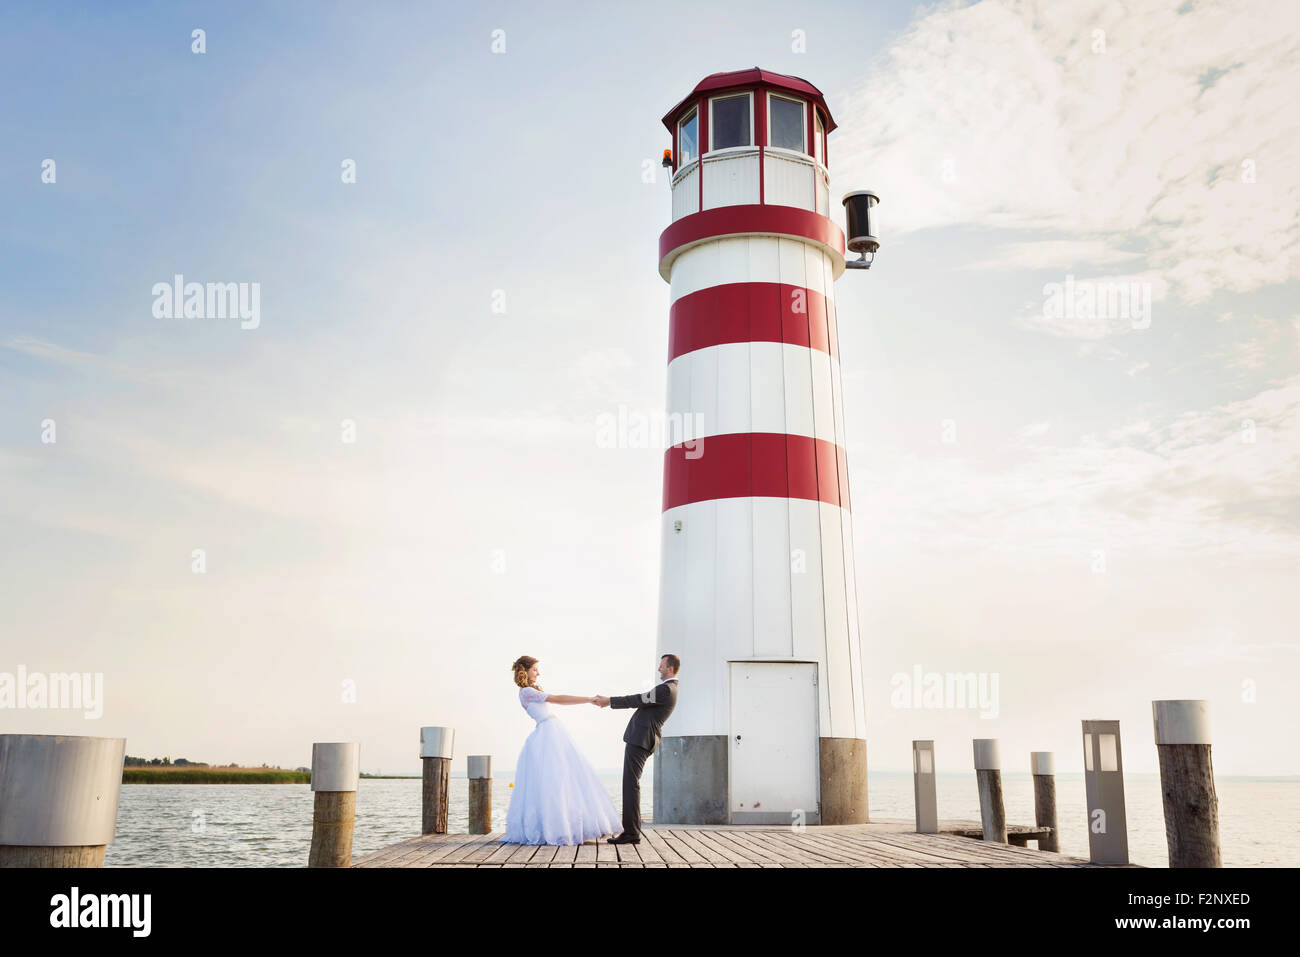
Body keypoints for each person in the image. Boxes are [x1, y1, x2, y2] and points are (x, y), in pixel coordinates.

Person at [502, 655, 622, 845]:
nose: (538, 673)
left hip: (552, 732)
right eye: (535, 669)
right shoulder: (525, 692)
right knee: (554, 781)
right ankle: (558, 827)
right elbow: (558, 699)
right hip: (547, 734)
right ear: (524, 671)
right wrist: (588, 699)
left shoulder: (531, 690)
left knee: (568, 778)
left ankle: (573, 825)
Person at [592, 653, 680, 845]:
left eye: (662, 666)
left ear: (670, 668)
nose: (659, 669)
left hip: (641, 739)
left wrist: (609, 701)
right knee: (631, 784)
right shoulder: (669, 689)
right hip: (643, 739)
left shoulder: (666, 689)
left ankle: (631, 832)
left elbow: (638, 699)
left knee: (630, 784)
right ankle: (631, 830)